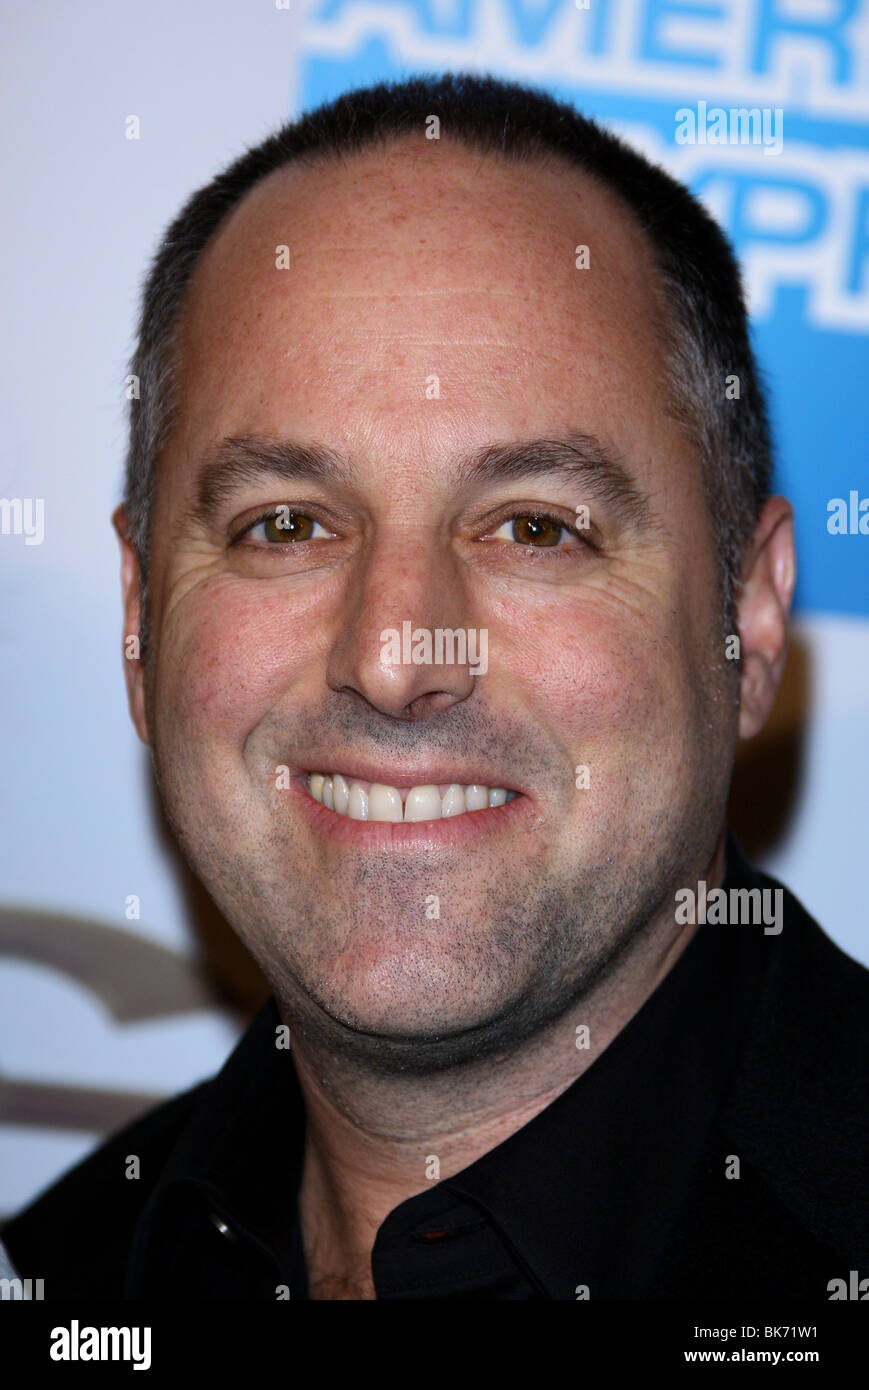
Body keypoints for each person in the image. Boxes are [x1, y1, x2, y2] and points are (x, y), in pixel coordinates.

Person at [2, 73, 866, 1301]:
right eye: (285, 523)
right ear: (142, 624)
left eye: (531, 528)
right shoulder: (70, 1274)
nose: (399, 657)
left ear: (747, 619)